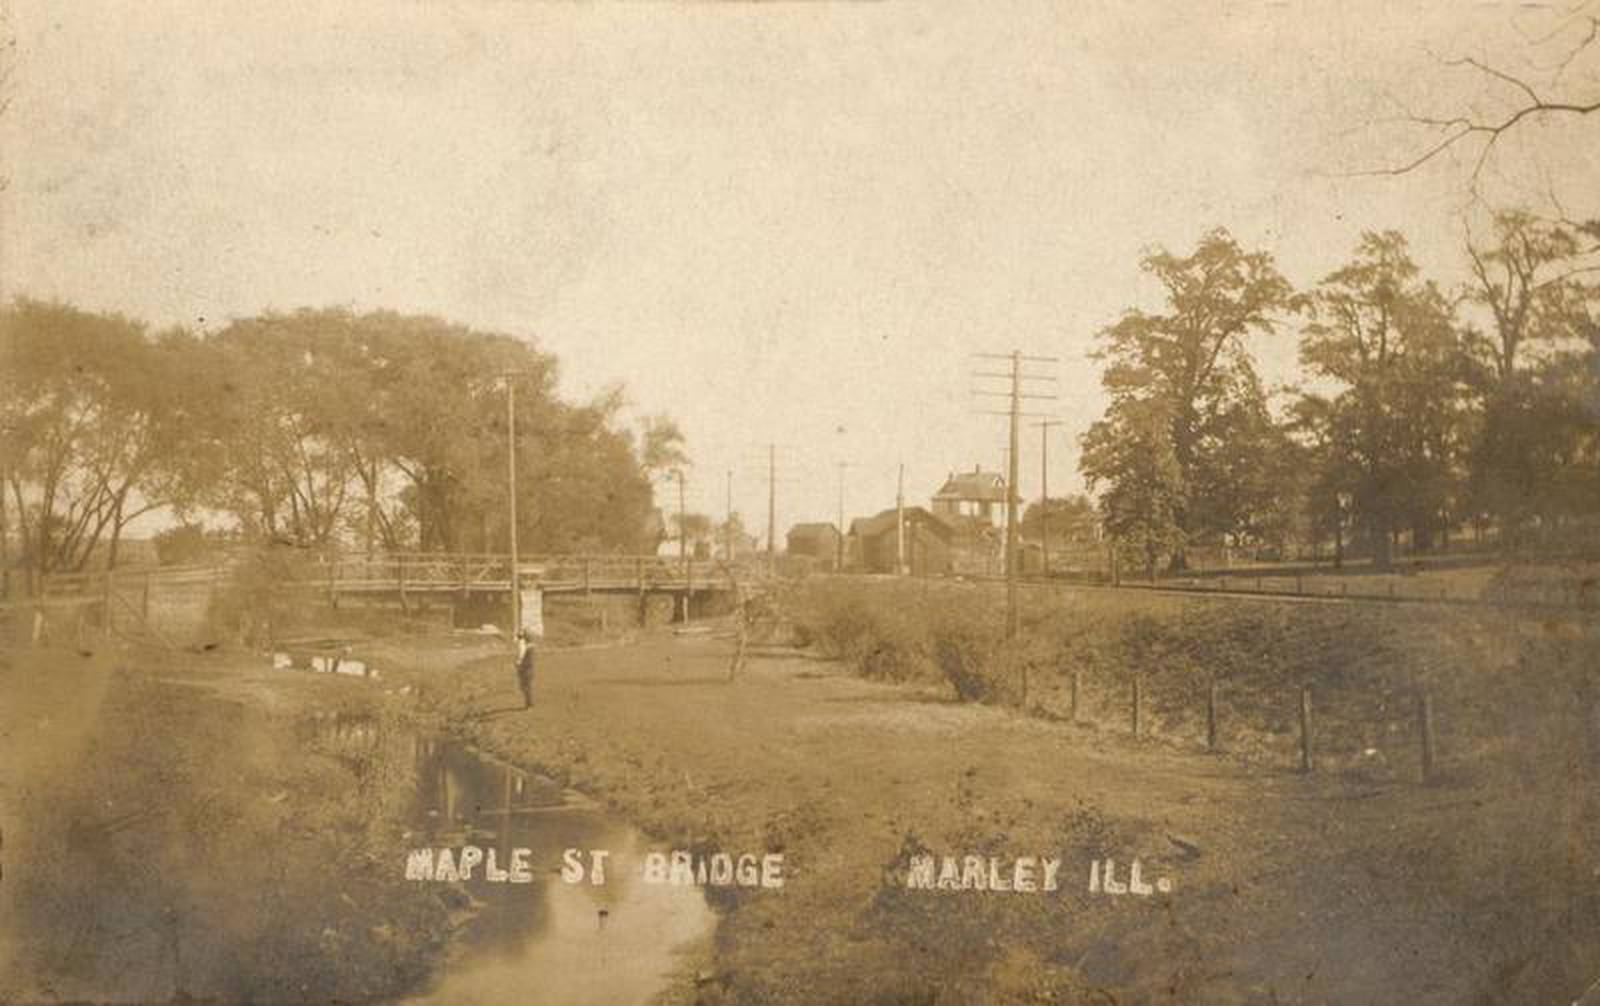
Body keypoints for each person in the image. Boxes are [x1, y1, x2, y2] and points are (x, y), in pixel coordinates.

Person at [515, 629, 537, 709]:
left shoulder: (526, 647)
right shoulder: (530, 647)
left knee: (525, 686)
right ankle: (529, 703)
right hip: (528, 669)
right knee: (526, 686)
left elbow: (522, 658)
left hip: (526, 669)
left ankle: (529, 704)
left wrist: (519, 664)